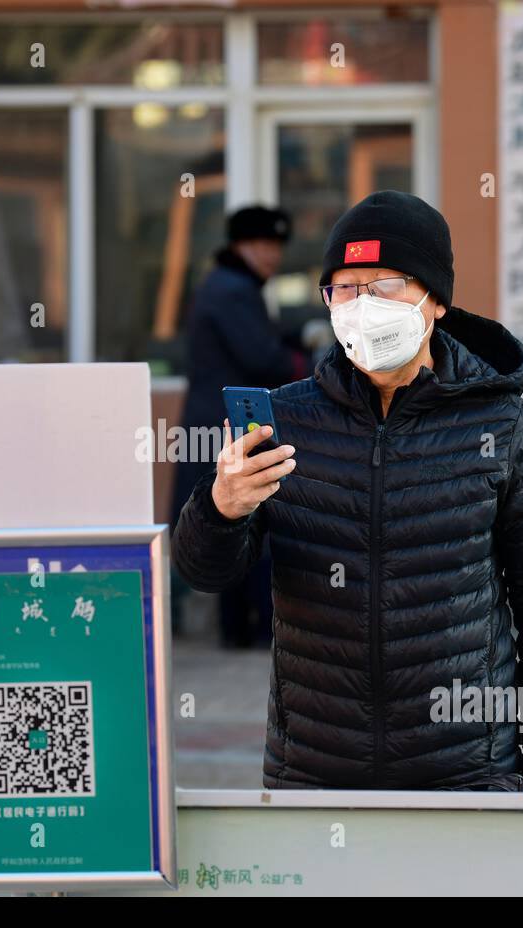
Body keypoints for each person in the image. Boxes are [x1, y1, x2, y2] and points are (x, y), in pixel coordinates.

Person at [172, 190, 523, 792]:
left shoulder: (500, 426)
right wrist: (220, 509)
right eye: (344, 288)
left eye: (385, 284)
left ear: (435, 300)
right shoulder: (287, 422)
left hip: (466, 777)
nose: (362, 306)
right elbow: (205, 573)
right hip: (313, 775)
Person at [171, 205, 309, 649]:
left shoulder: (226, 284)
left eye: (276, 247)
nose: (272, 256)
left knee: (228, 516)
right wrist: (307, 363)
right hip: (226, 424)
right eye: (262, 245)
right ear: (240, 246)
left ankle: (237, 628)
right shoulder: (233, 290)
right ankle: (243, 628)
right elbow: (261, 358)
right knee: (236, 515)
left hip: (216, 419)